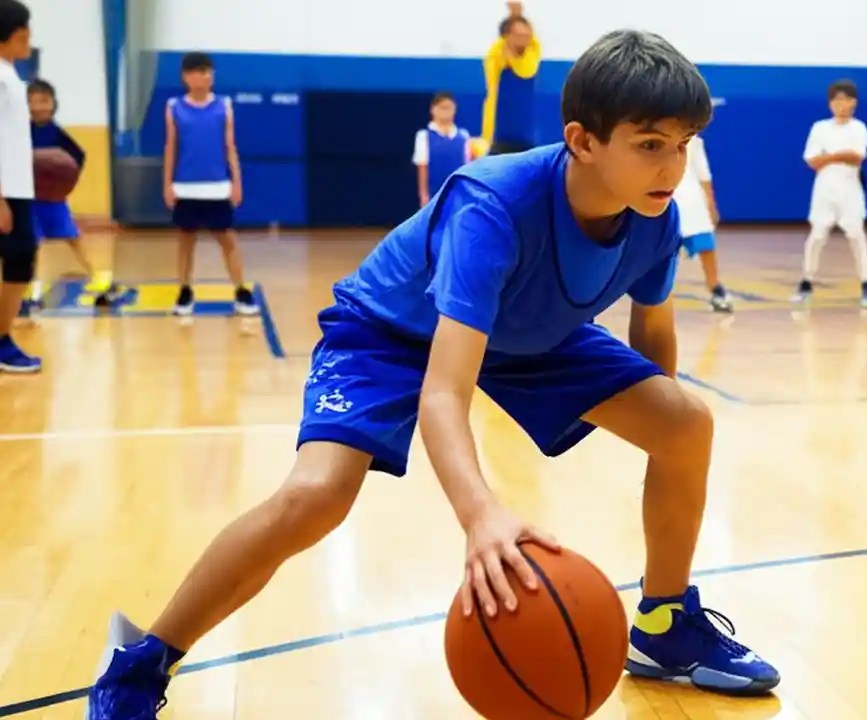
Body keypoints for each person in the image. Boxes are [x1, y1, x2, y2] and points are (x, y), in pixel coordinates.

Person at [85, 29, 781, 719]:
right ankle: (143, 659)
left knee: (687, 424)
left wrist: (652, 420)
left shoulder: (656, 219)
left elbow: (653, 331)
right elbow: (443, 392)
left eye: (684, 144)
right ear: (583, 140)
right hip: (390, 330)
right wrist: (480, 516)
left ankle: (663, 626)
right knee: (316, 495)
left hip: (527, 334)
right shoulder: (493, 205)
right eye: (651, 145)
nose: (672, 166)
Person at [164, 51, 258, 317]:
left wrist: (236, 182)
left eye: (208, 71)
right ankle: (184, 291)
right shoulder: (173, 107)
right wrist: (167, 183)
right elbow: (171, 147)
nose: (205, 76)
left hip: (218, 186)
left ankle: (241, 290)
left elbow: (230, 146)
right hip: (185, 186)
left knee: (228, 240)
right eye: (199, 71)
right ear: (186, 77)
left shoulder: (223, 105)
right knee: (185, 241)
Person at [26, 78, 117, 313]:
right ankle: (32, 291)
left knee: (72, 238)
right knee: (30, 245)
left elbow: (78, 158)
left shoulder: (58, 134)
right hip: (29, 198)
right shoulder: (20, 132)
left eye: (44, 101)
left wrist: (64, 184)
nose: (38, 107)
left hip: (54, 200)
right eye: (33, 101)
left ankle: (98, 278)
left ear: (53, 104)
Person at [793, 79, 867, 308]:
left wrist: (829, 157)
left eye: (844, 99)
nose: (839, 104)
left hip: (850, 191)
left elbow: (857, 157)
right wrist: (837, 156)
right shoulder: (820, 128)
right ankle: (806, 283)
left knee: (856, 235)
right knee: (817, 236)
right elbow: (813, 161)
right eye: (835, 100)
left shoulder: (858, 128)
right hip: (824, 190)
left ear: (853, 102)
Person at [0, 0, 38, 373]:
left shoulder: (10, 74)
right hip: (5, 192)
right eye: (25, 30)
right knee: (18, 262)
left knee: (20, 263)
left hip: (17, 189)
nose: (29, 37)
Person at [672, 133, 731, 312]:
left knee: (706, 246)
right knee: (661, 253)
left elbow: (703, 173)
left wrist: (711, 205)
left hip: (692, 200)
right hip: (663, 198)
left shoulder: (695, 141)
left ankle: (715, 289)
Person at [481, 3, 541, 155]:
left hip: (526, 136)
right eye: (518, 35)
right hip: (499, 134)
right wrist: (514, 16)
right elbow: (502, 46)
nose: (523, 38)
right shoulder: (497, 59)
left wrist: (518, 16)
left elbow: (526, 70)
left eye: (526, 35)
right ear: (507, 36)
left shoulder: (531, 57)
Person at [413, 91, 473, 206]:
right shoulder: (424, 135)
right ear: (433, 110)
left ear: (454, 110)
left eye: (449, 108)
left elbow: (467, 166)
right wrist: (424, 196)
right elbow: (422, 168)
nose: (445, 112)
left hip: (458, 193)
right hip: (434, 193)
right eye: (442, 108)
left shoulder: (464, 135)